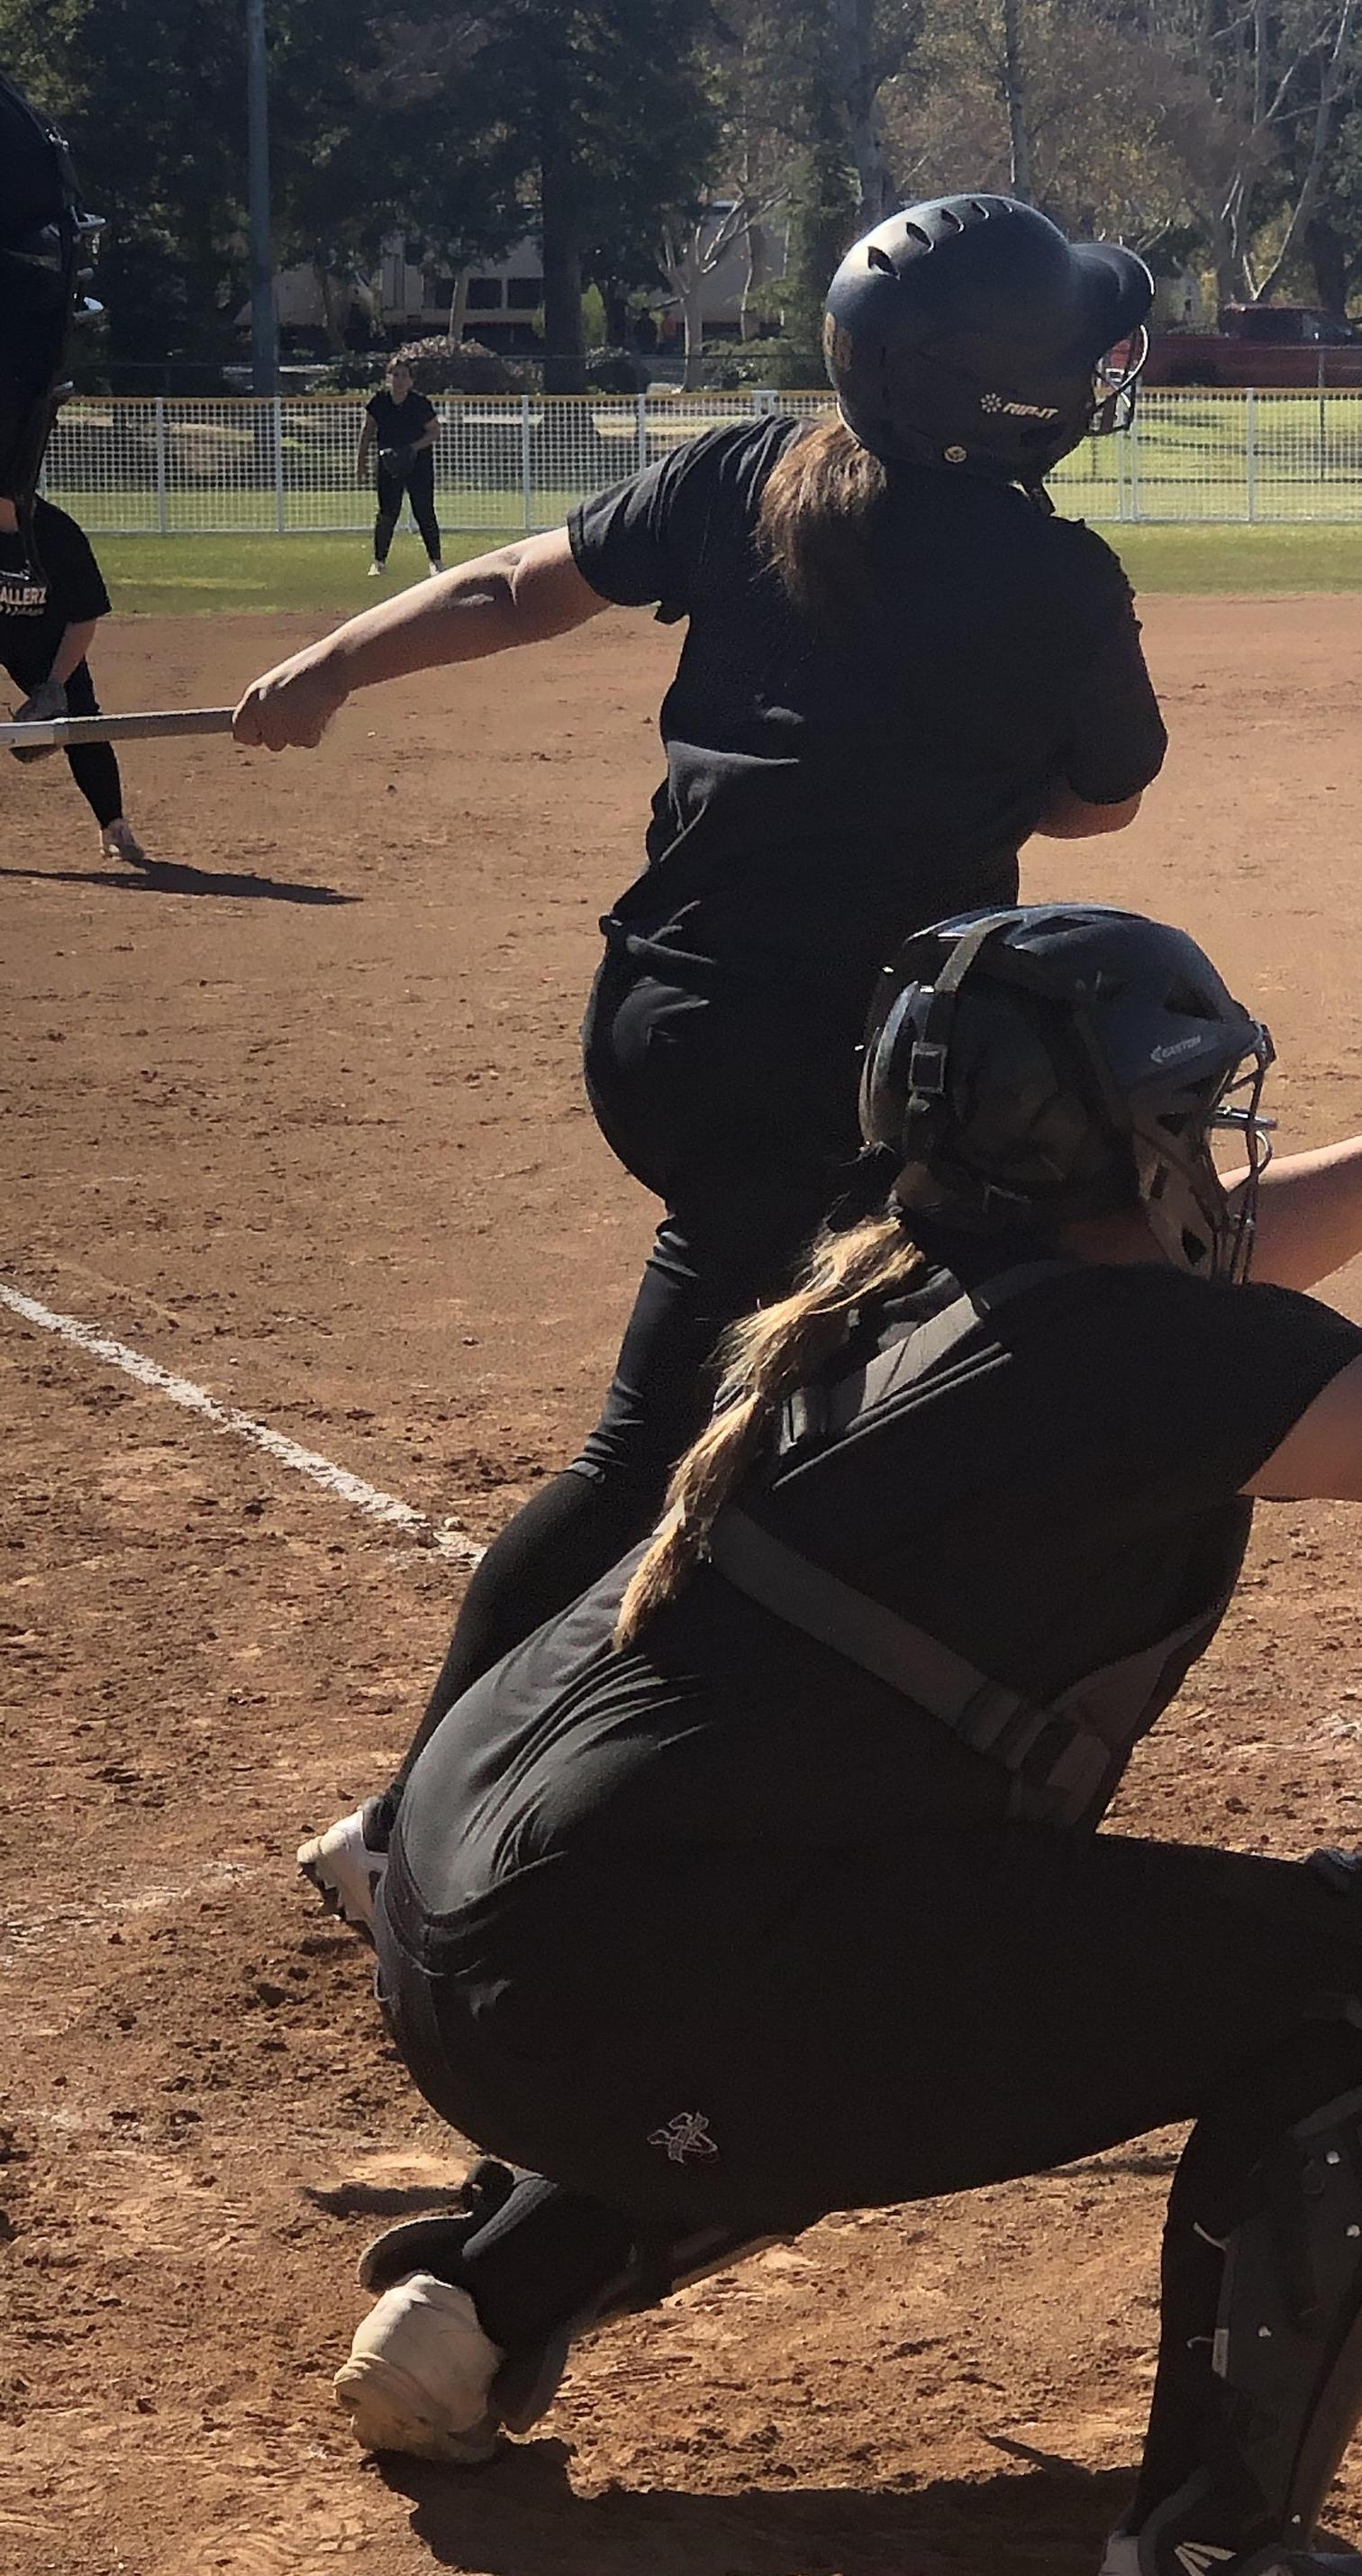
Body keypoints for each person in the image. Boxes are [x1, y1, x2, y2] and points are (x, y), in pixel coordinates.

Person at [325, 903, 1362, 2576]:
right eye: (1179, 1120)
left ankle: (486, 2299)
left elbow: (1217, 1278)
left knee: (859, 1911)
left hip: (475, 1951)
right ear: (1116, 1145)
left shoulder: (888, 1271)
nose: (1206, 1152)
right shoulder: (1131, 1361)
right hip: (628, 2010)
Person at [233, 198, 1166, 1921]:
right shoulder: (1055, 575)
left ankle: (707, 1719)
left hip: (661, 1022)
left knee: (798, 1377)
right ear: (1013, 399)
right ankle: (419, 1829)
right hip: (839, 1072)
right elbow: (1097, 798)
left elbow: (521, 587)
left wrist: (335, 663)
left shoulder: (754, 472)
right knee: (676, 1442)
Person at [1, 488, 145, 864]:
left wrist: (53, 687)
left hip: (41, 638)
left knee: (80, 718)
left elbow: (82, 618)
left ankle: (113, 824)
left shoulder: (56, 532)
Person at [358, 357, 443, 578]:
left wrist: (412, 448)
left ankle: (435, 561)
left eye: (404, 375)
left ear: (411, 381)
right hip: (389, 462)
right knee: (387, 513)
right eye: (395, 375)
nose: (399, 380)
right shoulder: (379, 401)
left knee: (424, 511)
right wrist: (361, 463)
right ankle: (379, 562)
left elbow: (434, 431)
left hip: (418, 463)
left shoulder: (419, 403)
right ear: (388, 378)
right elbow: (367, 432)